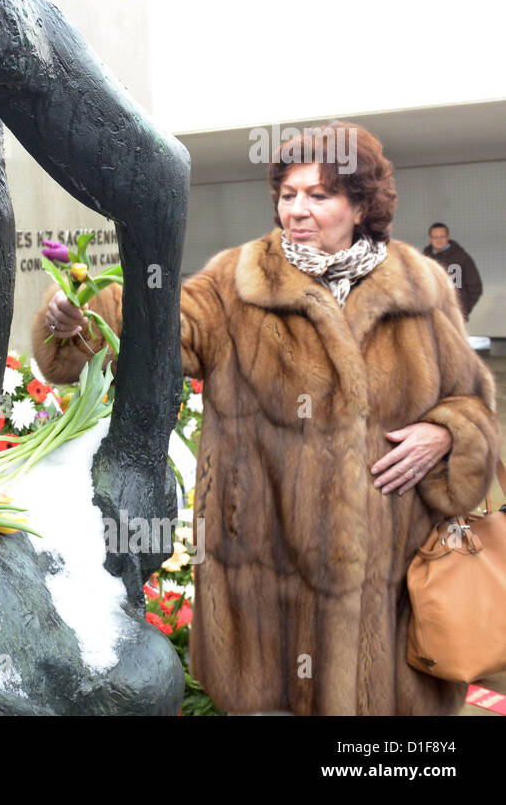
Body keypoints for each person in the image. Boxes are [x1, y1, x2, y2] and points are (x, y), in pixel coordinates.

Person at [33, 121, 501, 716]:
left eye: (319, 195)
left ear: (360, 205)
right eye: (288, 194)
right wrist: (83, 317)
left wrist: (446, 433)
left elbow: (473, 402)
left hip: (394, 599)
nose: (297, 210)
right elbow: (158, 323)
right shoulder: (238, 281)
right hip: (266, 604)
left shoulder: (421, 287)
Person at [423, 223, 484, 321]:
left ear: (448, 237)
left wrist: (464, 309)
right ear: (430, 238)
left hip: (455, 316)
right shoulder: (424, 259)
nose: (439, 240)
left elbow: (475, 287)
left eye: (442, 236)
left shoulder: (461, 257)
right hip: (430, 317)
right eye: (435, 237)